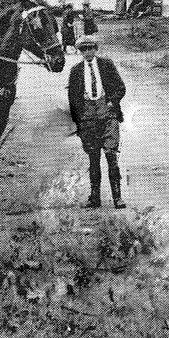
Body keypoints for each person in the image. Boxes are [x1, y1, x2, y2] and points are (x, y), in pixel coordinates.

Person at [67, 34, 126, 209]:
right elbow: (72, 100)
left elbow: (121, 88)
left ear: (95, 49)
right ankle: (95, 198)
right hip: (88, 119)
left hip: (108, 116)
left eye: (90, 48)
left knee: (111, 155)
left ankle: (118, 198)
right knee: (93, 158)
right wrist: (78, 122)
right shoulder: (76, 71)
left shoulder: (106, 65)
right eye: (83, 49)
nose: (87, 52)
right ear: (79, 52)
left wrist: (111, 101)